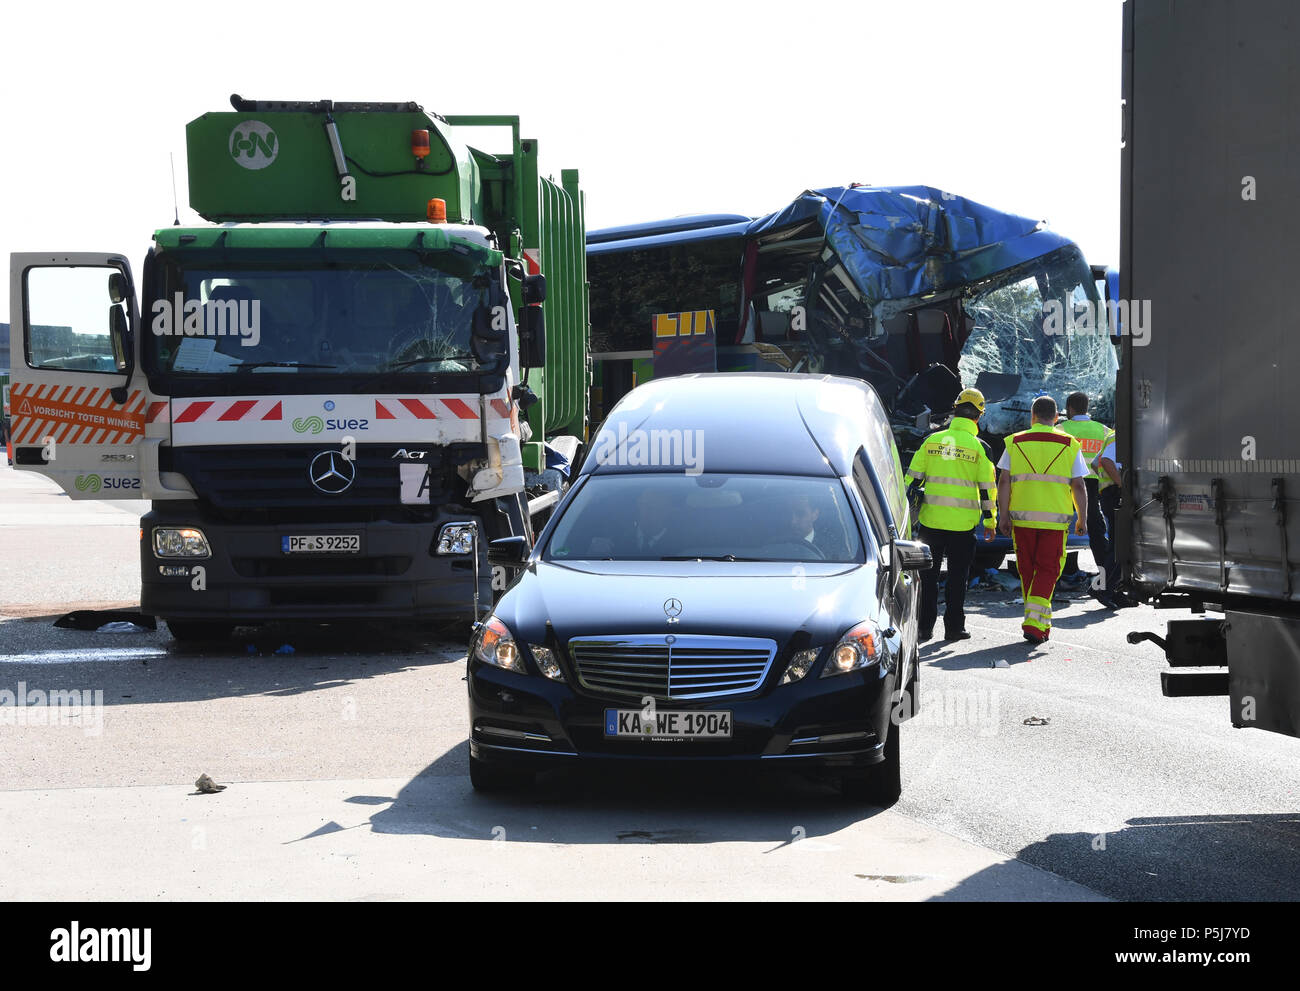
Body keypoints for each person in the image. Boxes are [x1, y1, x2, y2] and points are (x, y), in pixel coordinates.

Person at [905, 387, 998, 643]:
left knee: (928, 577)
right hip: (963, 525)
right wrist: (991, 522)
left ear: (955, 410)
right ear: (978, 417)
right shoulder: (981, 448)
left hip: (930, 521)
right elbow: (988, 490)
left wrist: (905, 514)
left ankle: (924, 627)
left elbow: (911, 481)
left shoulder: (930, 440)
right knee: (958, 578)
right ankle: (954, 628)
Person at [997, 395, 1088, 644]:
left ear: (1032, 416)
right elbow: (1078, 485)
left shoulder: (1015, 442)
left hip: (1022, 518)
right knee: (1047, 570)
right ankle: (1035, 624)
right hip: (1054, 521)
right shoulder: (1070, 444)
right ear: (1057, 418)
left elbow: (1004, 481)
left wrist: (1002, 515)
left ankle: (1038, 622)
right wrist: (1083, 518)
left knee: (1028, 570)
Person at [1057, 392, 1112, 604]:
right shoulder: (1104, 431)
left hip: (1067, 483)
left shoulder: (1061, 429)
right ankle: (1105, 580)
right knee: (1098, 534)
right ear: (1087, 407)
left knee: (1059, 531)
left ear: (1069, 408)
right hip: (1094, 484)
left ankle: (1056, 578)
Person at [1093, 428, 1137, 607]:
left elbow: (1095, 463)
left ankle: (1110, 589)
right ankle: (1102, 588)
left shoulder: (1111, 436)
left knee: (1116, 545)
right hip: (1116, 494)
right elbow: (1105, 461)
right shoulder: (1121, 437)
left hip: (1109, 494)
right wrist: (1121, 485)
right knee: (1121, 546)